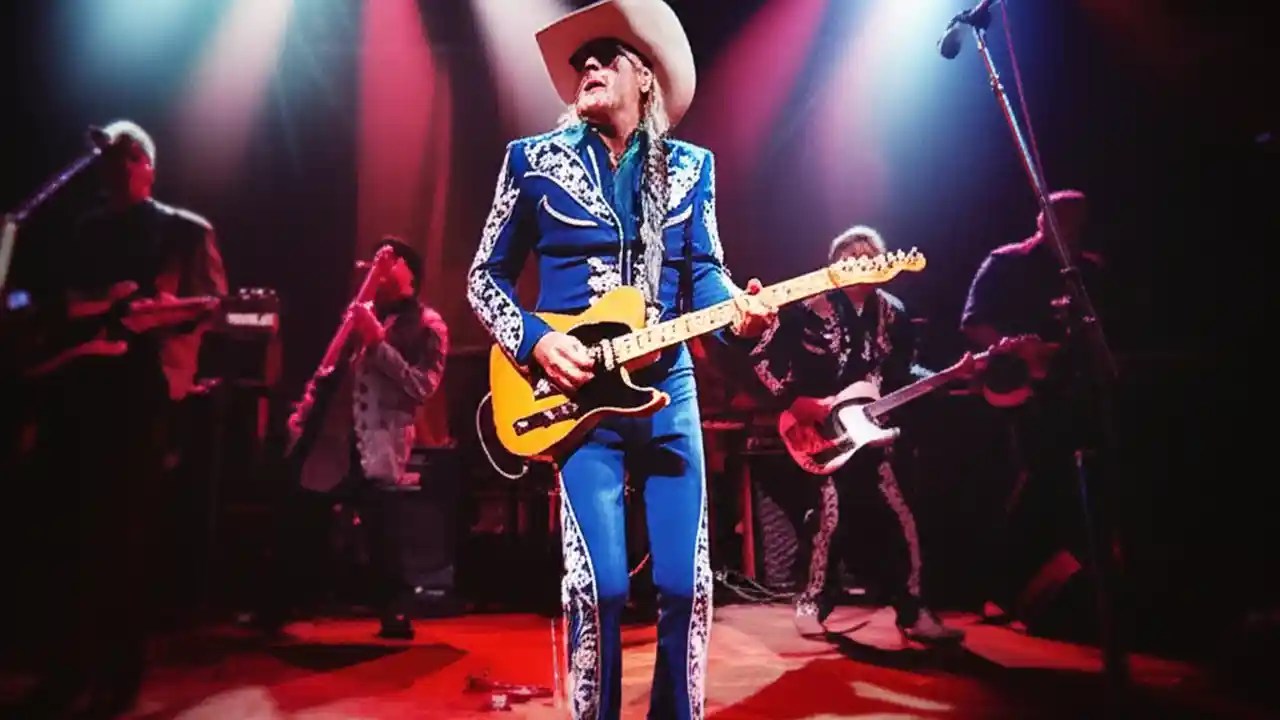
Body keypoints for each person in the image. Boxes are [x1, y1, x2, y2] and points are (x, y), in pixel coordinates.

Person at [466, 1, 774, 717]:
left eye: (607, 54)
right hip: (575, 403)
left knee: (685, 588)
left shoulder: (692, 169)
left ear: (646, 77)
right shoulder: (529, 161)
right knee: (597, 587)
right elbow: (483, 278)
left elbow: (706, 279)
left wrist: (744, 316)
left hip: (669, 387)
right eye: (582, 62)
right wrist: (539, 340)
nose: (589, 68)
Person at [16, 119, 227, 718]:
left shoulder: (185, 231)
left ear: (148, 166)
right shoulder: (84, 228)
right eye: (110, 156)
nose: (116, 164)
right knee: (69, 535)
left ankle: (117, 675)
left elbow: (212, 305)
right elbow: (59, 307)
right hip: (77, 389)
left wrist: (162, 320)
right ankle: (65, 668)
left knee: (122, 538)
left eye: (128, 155)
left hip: (139, 395)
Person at [750, 226, 964, 644]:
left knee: (901, 513)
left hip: (873, 430)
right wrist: (795, 402)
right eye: (851, 260)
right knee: (829, 515)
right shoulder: (805, 308)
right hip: (821, 429)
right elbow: (761, 357)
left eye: (869, 259)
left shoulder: (894, 313)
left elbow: (903, 373)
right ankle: (811, 600)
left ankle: (912, 606)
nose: (860, 267)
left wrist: (948, 378)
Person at [283, 236, 449, 640]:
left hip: (379, 441)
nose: (382, 266)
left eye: (392, 259)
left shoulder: (429, 325)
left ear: (410, 271)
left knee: (383, 532)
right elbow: (332, 371)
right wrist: (307, 408)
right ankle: (281, 605)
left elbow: (420, 389)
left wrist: (378, 342)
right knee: (298, 518)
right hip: (334, 440)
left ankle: (394, 614)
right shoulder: (361, 314)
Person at [959, 189, 1105, 625]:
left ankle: (1080, 586)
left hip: (1075, 389)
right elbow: (973, 322)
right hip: (1021, 391)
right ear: (1043, 222)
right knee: (1034, 483)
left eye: (1077, 223)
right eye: (1062, 222)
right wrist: (1016, 350)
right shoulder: (1007, 264)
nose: (1070, 231)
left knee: (1082, 484)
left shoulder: (1087, 271)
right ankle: (1000, 588)